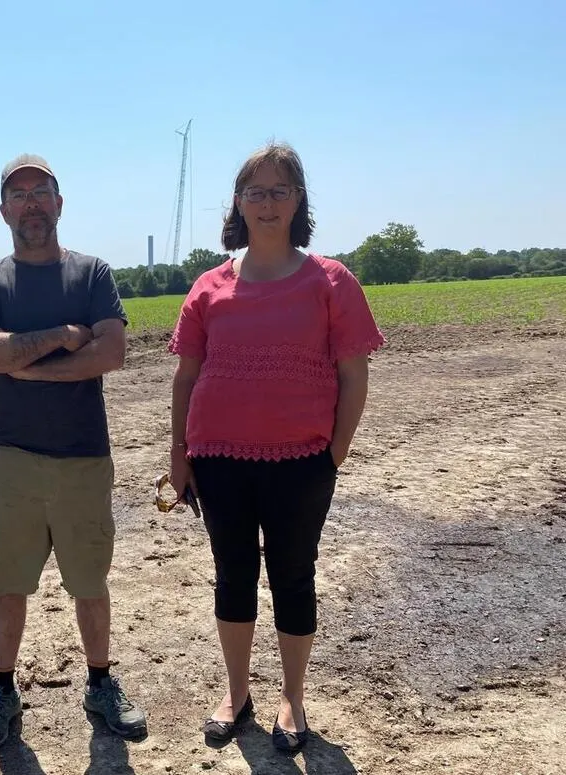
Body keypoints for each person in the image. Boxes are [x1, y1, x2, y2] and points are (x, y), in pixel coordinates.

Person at [168, 142, 385, 753]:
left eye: (279, 190)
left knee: (293, 577)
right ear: (238, 203)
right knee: (231, 576)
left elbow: (353, 375)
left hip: (302, 462)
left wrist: (333, 453)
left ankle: (292, 697)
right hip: (217, 460)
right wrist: (178, 455)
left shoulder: (331, 281)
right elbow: (186, 377)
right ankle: (236, 693)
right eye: (255, 192)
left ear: (298, 201)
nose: (266, 203)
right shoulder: (209, 286)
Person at [0, 154, 148, 751]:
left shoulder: (91, 273)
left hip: (83, 458)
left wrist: (30, 369)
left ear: (59, 204)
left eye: (41, 192)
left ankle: (100, 682)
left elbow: (112, 353)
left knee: (90, 581)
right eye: (19, 196)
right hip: (11, 459)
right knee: (7, 581)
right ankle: (2, 688)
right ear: (3, 211)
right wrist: (64, 338)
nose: (31, 204)